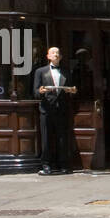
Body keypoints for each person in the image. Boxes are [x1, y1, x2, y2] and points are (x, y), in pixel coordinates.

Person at [33, 46, 77, 175]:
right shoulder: (40, 71)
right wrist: (40, 91)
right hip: (46, 109)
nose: (56, 55)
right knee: (46, 138)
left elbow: (73, 88)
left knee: (62, 138)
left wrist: (72, 91)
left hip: (62, 109)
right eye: (53, 53)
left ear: (61, 57)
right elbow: (35, 91)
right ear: (48, 56)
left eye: (58, 53)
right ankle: (46, 164)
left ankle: (63, 164)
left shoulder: (66, 71)